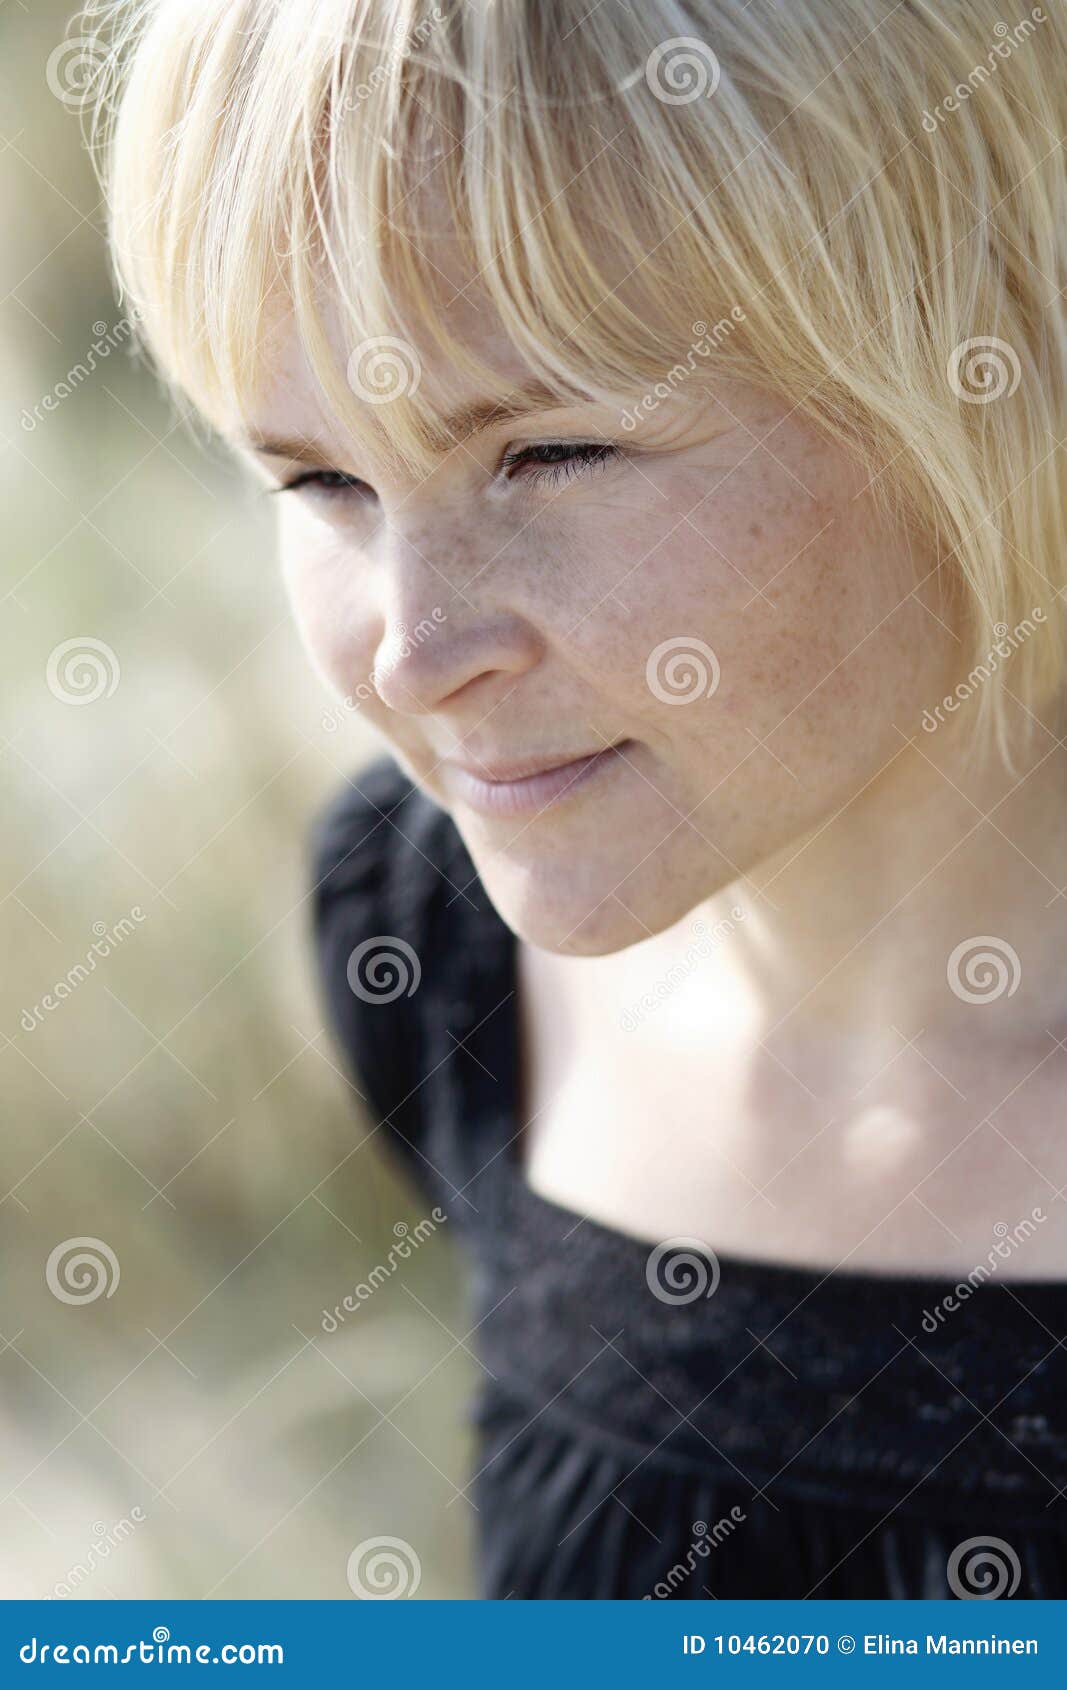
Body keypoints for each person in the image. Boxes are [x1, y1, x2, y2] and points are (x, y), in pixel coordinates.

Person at [92, 0, 1067, 1597]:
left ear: (989, 360)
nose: (415, 652)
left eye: (550, 453)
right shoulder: (439, 950)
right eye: (319, 480)